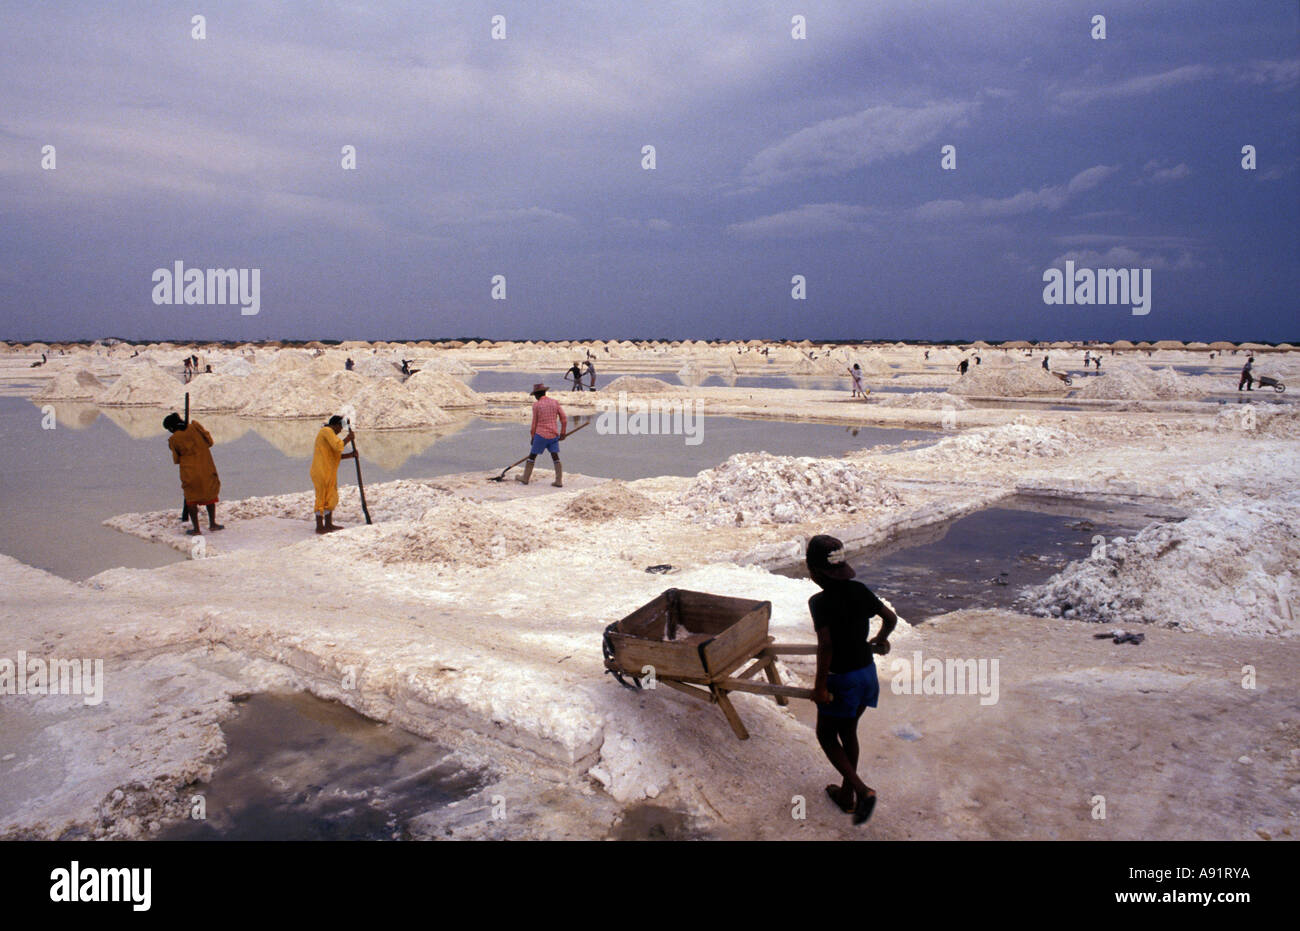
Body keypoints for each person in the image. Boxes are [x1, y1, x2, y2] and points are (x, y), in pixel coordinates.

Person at [806, 534, 897, 826]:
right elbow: (890, 617)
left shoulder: (819, 602)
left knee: (826, 735)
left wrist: (820, 687)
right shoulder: (859, 590)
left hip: (842, 680)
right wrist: (881, 640)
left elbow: (827, 645)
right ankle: (846, 797)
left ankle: (861, 790)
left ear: (815, 572)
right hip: (866, 674)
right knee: (848, 731)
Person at [163, 412, 224, 536]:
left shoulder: (174, 439)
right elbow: (210, 442)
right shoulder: (195, 427)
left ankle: (196, 529)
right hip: (206, 466)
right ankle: (212, 524)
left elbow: (176, 459)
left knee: (191, 499)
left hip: (190, 471)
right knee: (209, 495)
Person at [310, 415, 357, 534]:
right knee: (321, 497)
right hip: (321, 471)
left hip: (329, 471)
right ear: (335, 425)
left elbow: (334, 455)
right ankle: (320, 527)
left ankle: (329, 524)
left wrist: (351, 455)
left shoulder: (330, 435)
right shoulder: (326, 431)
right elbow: (338, 446)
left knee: (330, 496)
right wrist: (348, 438)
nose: (339, 431)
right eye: (339, 428)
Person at [518, 383, 567, 487]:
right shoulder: (555, 402)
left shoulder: (536, 405)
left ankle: (525, 478)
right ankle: (559, 481)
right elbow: (564, 419)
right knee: (555, 456)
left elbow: (534, 423)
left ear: (537, 395)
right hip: (553, 435)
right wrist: (563, 432)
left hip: (540, 435)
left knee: (532, 456)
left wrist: (532, 437)